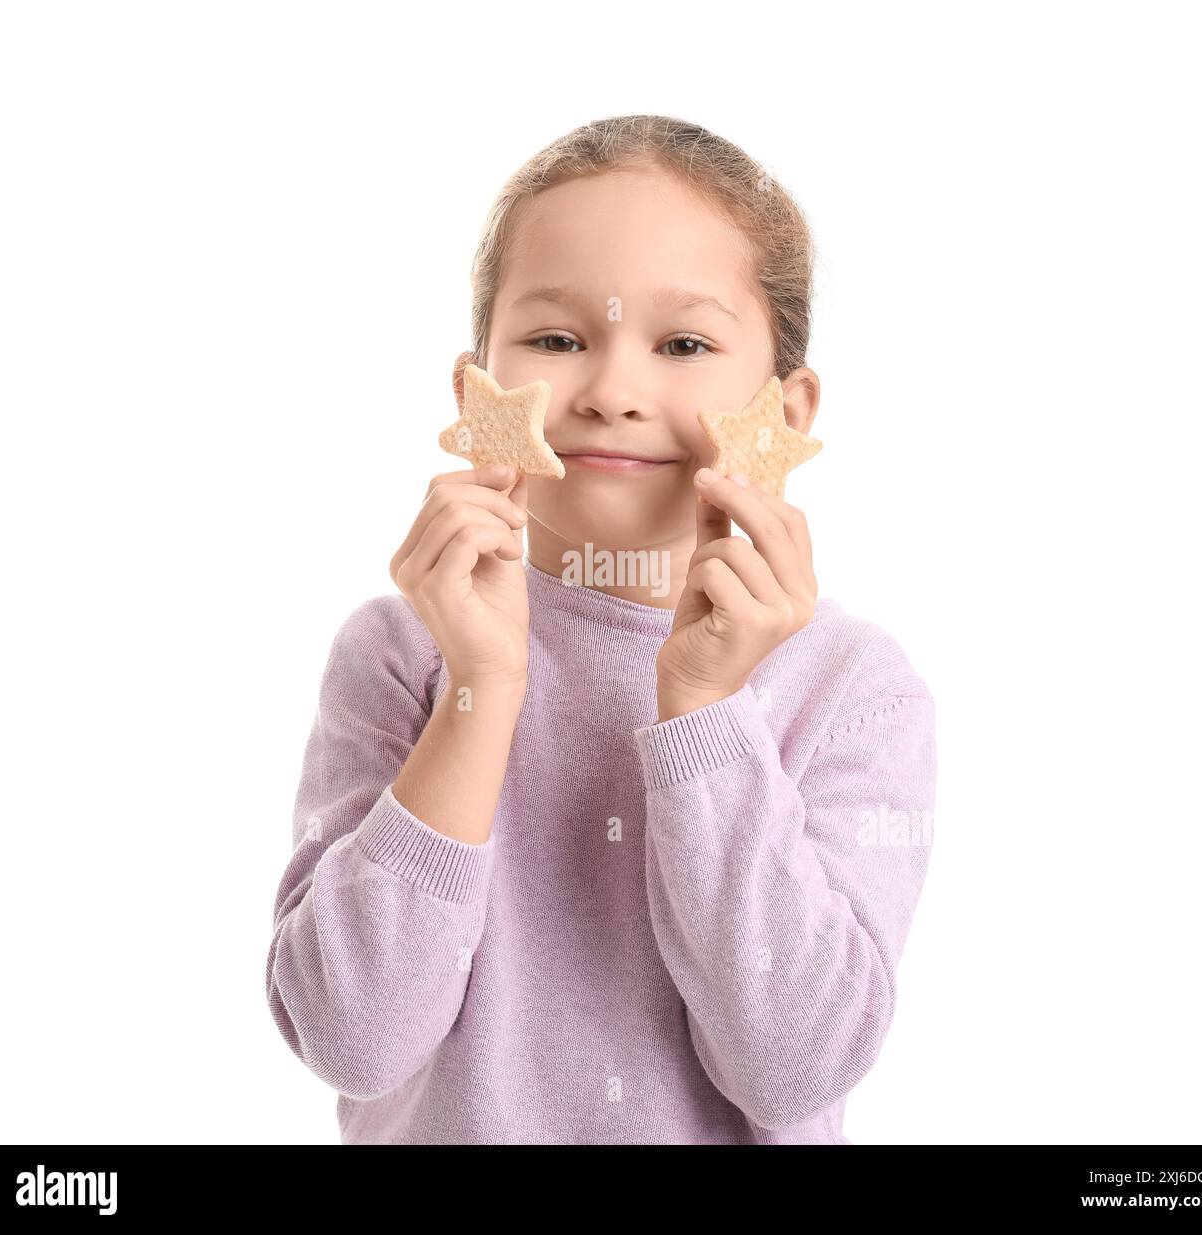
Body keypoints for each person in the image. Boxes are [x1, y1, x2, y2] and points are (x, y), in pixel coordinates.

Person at [265, 114, 937, 1144]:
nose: (615, 392)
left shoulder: (850, 685)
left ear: (786, 411)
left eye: (683, 344)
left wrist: (705, 712)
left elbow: (792, 1063)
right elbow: (351, 1038)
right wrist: (479, 687)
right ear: (474, 390)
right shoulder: (401, 655)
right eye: (557, 339)